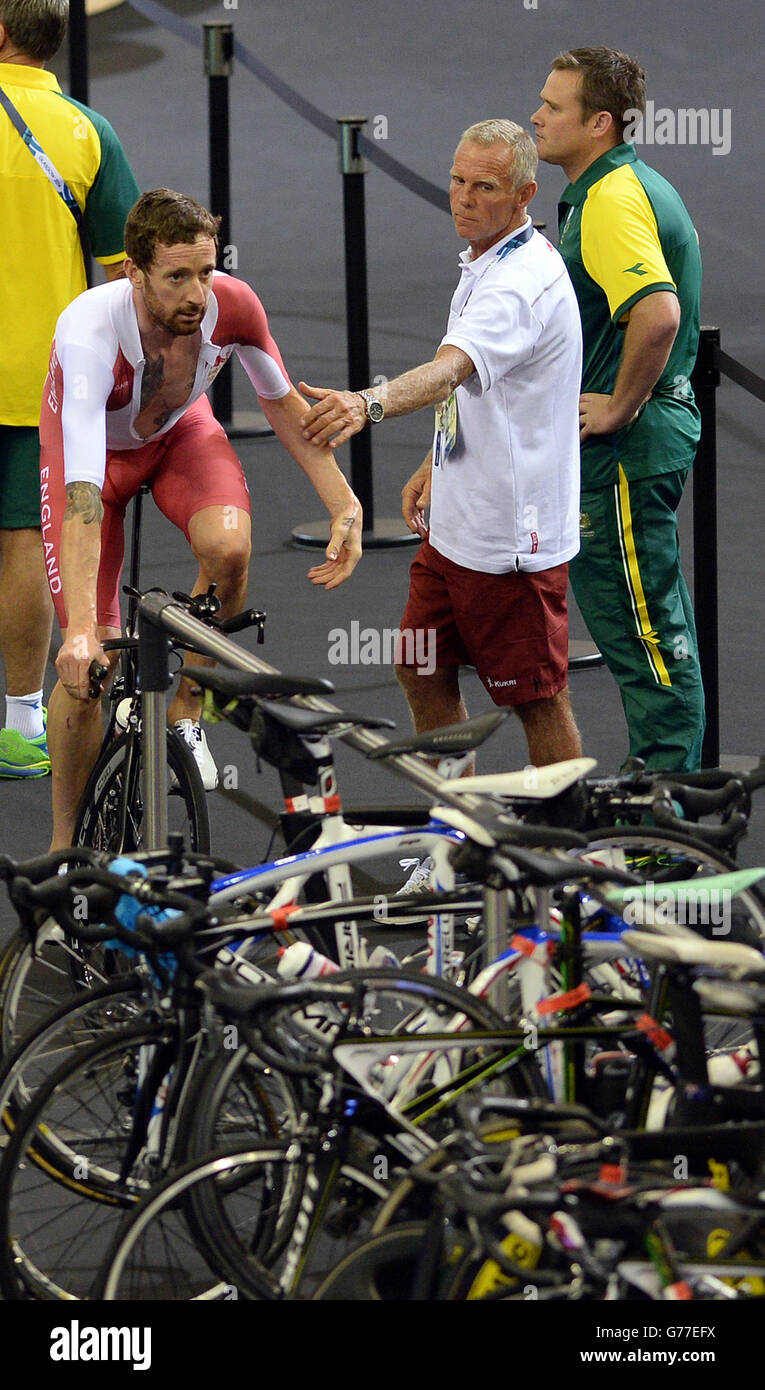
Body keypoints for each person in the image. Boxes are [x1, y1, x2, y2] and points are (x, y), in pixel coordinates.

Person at [42, 188, 363, 848]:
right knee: (84, 674)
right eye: (176, 277)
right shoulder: (88, 332)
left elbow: (283, 408)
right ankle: (65, 848)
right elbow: (79, 488)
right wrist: (78, 630)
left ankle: (183, 710)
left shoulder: (233, 305)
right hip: (92, 464)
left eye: (206, 272)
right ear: (133, 272)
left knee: (229, 549)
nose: (196, 293)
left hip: (178, 433)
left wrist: (345, 503)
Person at [300, 120, 583, 772]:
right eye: (457, 180)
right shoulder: (490, 257)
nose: (462, 197)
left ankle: (570, 861)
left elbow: (449, 369)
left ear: (522, 195)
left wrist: (365, 403)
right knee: (420, 668)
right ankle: (453, 836)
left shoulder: (516, 285)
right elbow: (489, 387)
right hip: (458, 528)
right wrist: (438, 461)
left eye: (484, 186)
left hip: (508, 544)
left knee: (537, 702)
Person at [531, 46, 705, 771]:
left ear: (598, 122)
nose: (535, 117)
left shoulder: (608, 200)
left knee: (644, 639)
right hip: (640, 444)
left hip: (627, 451)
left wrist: (617, 407)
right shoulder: (623, 184)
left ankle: (665, 831)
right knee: (654, 627)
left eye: (552, 107)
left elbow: (657, 314)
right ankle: (673, 803)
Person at [0, 0, 139, 779]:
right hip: (37, 381)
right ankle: (20, 722)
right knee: (22, 540)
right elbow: (127, 271)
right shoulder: (88, 132)